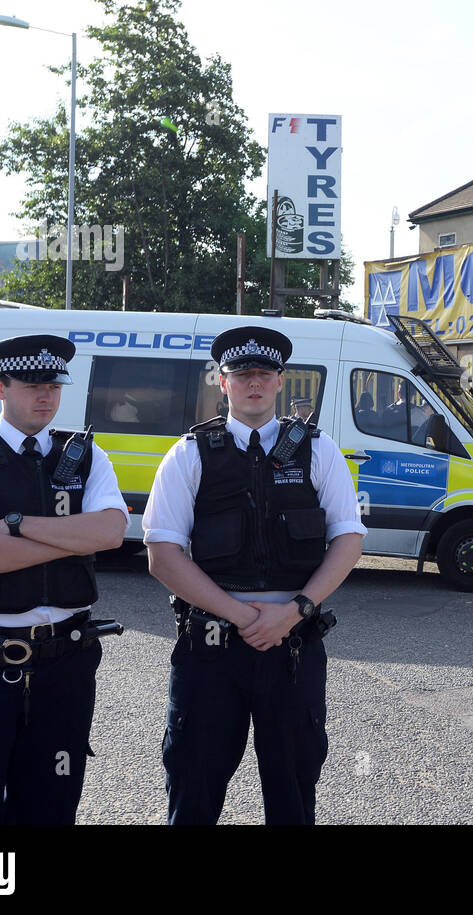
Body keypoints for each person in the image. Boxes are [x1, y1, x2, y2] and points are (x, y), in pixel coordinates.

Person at [144, 325, 364, 825]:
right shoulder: (190, 453)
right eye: (241, 374)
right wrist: (244, 615)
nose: (254, 383)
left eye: (264, 373)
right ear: (222, 383)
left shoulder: (318, 450)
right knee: (193, 786)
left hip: (293, 644)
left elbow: (348, 539)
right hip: (212, 646)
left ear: (281, 381)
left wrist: (295, 611)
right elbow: (163, 553)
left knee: (293, 790)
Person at [0, 335, 128, 825]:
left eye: (53, 386)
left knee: (50, 806)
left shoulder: (85, 455)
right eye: (32, 384)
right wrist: (72, 538)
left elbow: (111, 532)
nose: (45, 396)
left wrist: (16, 524)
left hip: (65, 664)